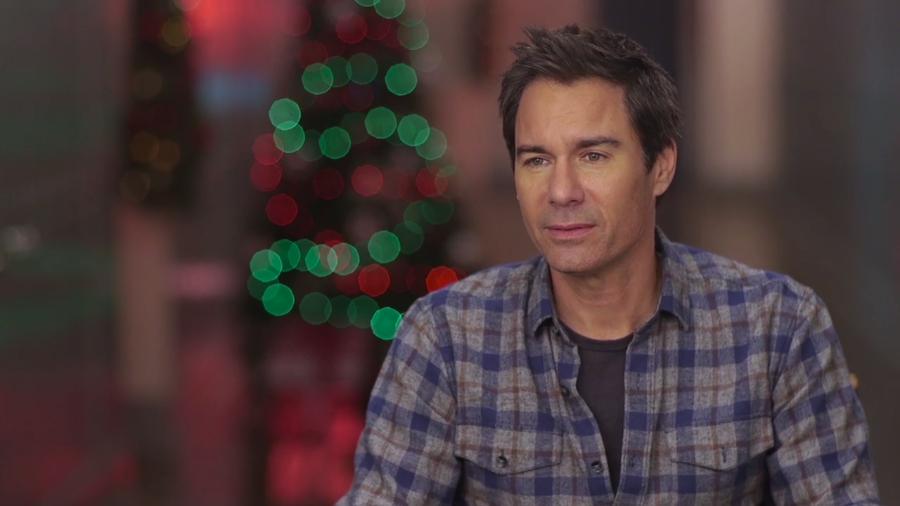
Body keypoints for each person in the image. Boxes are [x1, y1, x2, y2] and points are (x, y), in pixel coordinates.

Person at [337, 25, 880, 504]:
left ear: (660, 166)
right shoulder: (446, 338)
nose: (561, 191)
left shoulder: (779, 327)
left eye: (593, 156)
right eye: (537, 160)